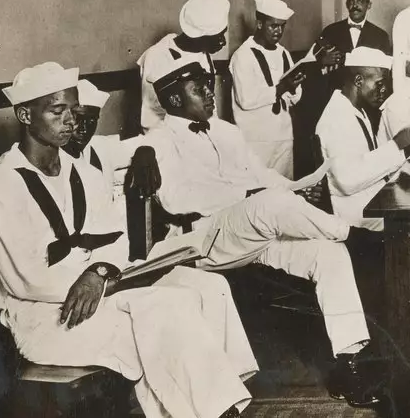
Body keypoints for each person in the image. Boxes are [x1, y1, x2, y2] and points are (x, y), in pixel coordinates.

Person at [0, 62, 257, 418]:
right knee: (165, 313)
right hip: (46, 317)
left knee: (200, 288)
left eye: (74, 111)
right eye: (57, 111)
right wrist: (97, 278)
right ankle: (218, 409)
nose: (71, 121)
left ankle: (218, 404)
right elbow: (25, 279)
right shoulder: (1, 187)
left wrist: (101, 271)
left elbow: (115, 234)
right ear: (25, 114)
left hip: (97, 289)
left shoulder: (79, 171)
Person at [145, 56, 385, 408]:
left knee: (328, 254)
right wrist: (247, 196)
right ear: (175, 101)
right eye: (199, 90)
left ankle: (347, 364)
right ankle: (355, 234)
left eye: (209, 86)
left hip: (255, 232)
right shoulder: (159, 140)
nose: (210, 94)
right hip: (208, 237)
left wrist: (295, 188)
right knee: (269, 204)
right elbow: (175, 198)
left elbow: (262, 175)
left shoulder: (226, 130)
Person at [317, 48, 410, 305]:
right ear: (358, 81)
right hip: (359, 213)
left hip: (374, 200)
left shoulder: (354, 110)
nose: (383, 91)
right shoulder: (335, 118)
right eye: (379, 84)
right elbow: (348, 181)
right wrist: (398, 147)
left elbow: (365, 162)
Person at [229, 0, 306, 179]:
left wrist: (294, 88)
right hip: (256, 140)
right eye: (273, 25)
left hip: (283, 137)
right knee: (259, 191)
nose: (278, 31)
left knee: (284, 188)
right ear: (260, 24)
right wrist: (281, 88)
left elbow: (294, 98)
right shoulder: (243, 55)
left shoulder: (284, 53)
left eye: (282, 26)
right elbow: (245, 99)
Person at [137, 0, 229, 132]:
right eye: (218, 36)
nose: (223, 41)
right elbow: (151, 116)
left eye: (224, 33)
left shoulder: (203, 52)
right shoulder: (158, 56)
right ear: (199, 36)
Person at [62, 79, 154, 219]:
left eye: (91, 121)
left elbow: (148, 143)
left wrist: (146, 152)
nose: (84, 129)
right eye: (77, 120)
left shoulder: (100, 147)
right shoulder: (51, 159)